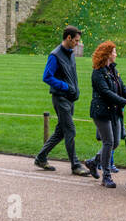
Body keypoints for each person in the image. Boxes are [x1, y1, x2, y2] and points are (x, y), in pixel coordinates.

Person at [34, 26, 92, 175]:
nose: (78, 44)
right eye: (76, 40)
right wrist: (65, 86)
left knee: (61, 132)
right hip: (60, 98)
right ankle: (75, 165)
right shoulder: (55, 55)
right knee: (70, 130)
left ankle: (41, 157)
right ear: (68, 38)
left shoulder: (71, 54)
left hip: (69, 98)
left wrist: (74, 90)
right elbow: (47, 77)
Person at [89, 41, 126, 189]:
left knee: (115, 143)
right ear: (108, 54)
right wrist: (125, 101)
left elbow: (121, 87)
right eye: (115, 52)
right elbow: (106, 92)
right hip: (101, 112)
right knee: (108, 142)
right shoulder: (98, 73)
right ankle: (106, 176)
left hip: (113, 111)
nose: (116, 54)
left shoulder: (112, 70)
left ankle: (93, 162)